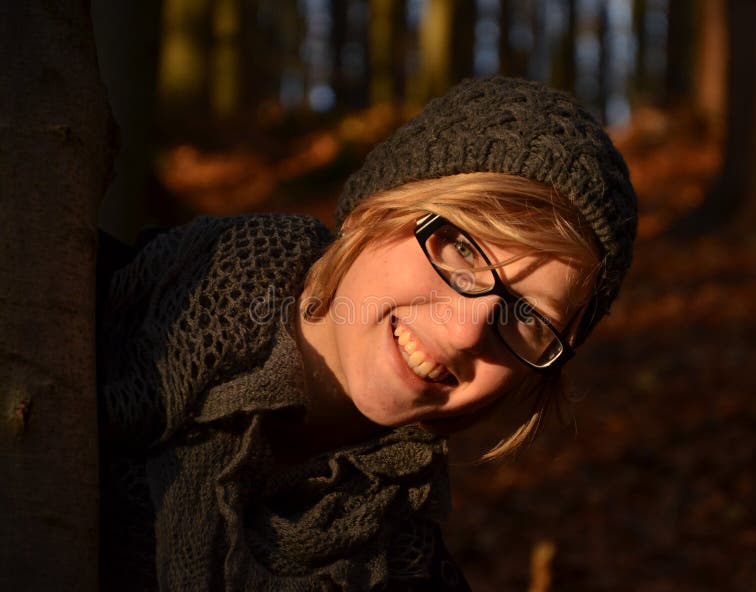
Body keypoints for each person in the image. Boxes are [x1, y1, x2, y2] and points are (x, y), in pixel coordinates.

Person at [97, 76, 637, 591]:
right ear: (374, 209)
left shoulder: (409, 574)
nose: (468, 329)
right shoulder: (72, 308)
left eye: (527, 315)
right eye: (466, 247)